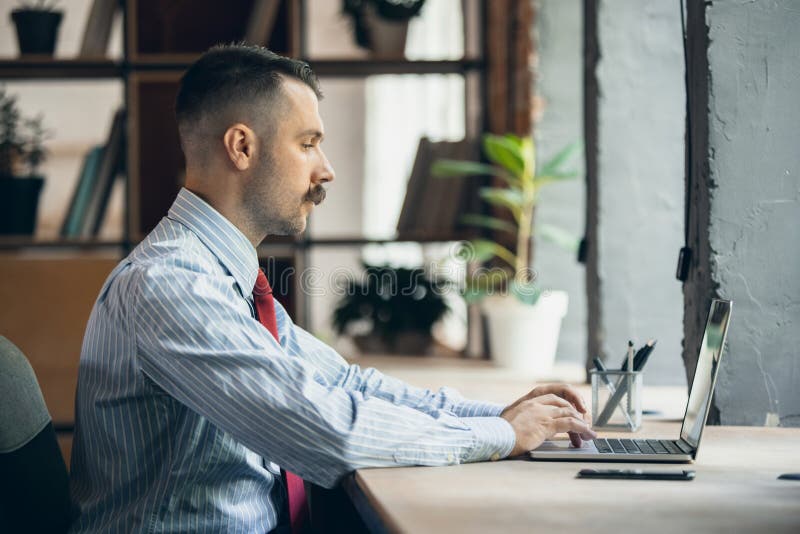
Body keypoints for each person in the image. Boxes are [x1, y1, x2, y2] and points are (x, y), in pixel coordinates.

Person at [69, 44, 596, 533]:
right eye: (308, 144)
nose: (327, 170)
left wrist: (498, 414)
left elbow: (346, 385)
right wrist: (503, 436)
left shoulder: (219, 278)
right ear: (242, 147)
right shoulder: (170, 287)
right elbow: (325, 428)